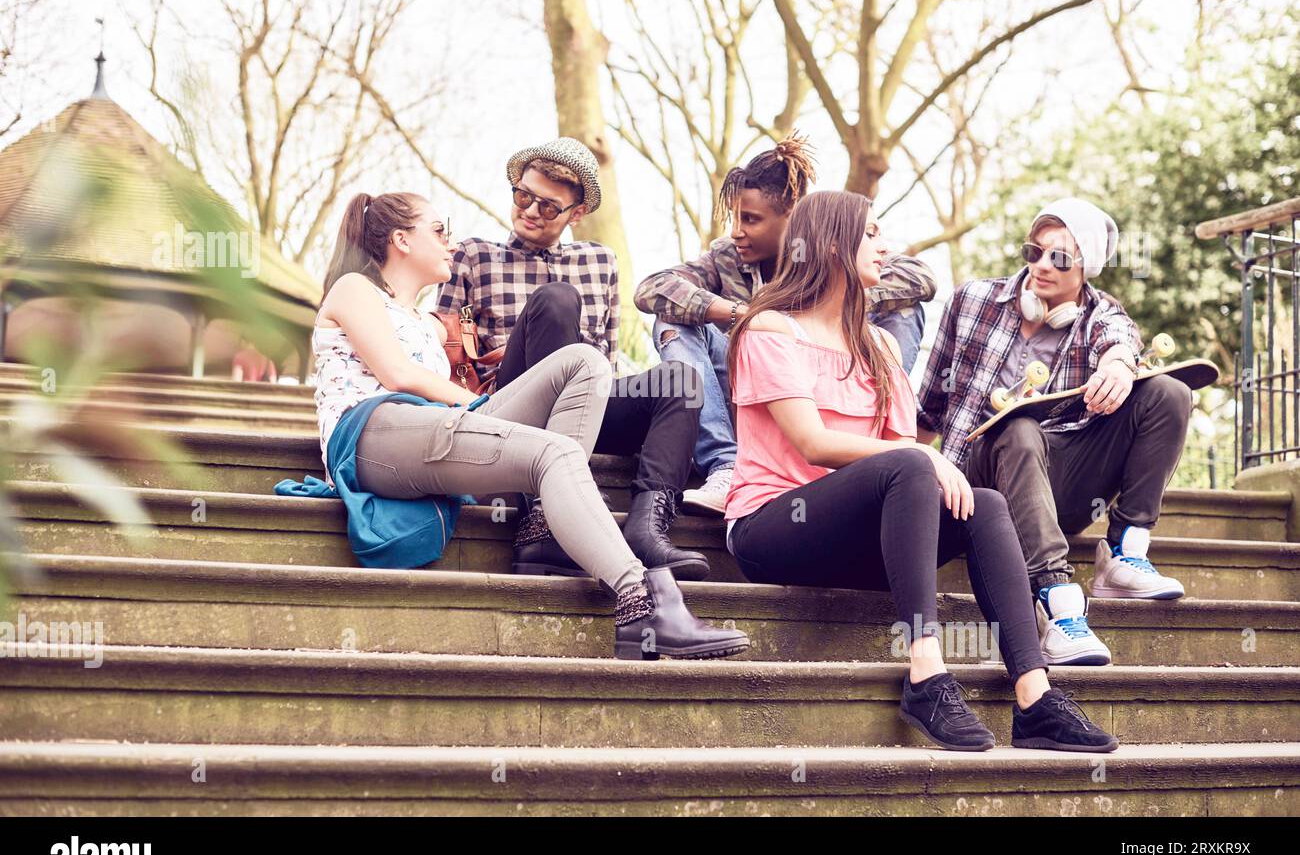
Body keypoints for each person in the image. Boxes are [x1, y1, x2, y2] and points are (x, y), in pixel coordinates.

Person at [724, 189, 1116, 752]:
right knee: (910, 460)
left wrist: (922, 458)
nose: (885, 247)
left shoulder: (880, 346)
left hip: (853, 544)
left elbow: (901, 461)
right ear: (833, 243)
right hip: (773, 528)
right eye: (873, 234)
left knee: (988, 504)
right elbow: (811, 443)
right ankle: (927, 673)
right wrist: (925, 455)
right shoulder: (770, 330)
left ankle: (1035, 697)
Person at [312, 189, 748, 661]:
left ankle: (546, 521)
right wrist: (478, 407)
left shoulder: (422, 320)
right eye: (439, 231)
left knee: (584, 362)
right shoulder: (354, 289)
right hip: (370, 431)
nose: (450, 243)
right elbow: (397, 375)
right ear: (400, 239)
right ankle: (641, 600)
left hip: (433, 432)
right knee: (555, 452)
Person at [916, 198, 1192, 668]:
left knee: (1170, 392)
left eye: (1060, 258)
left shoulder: (1101, 314)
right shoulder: (971, 300)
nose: (1041, 266)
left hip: (1054, 490)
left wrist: (1118, 364)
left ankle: (1125, 553)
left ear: (1088, 268)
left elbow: (1119, 338)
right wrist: (909, 492)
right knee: (1019, 426)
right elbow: (926, 412)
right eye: (1034, 251)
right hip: (975, 485)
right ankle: (1056, 602)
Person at [438, 138, 710, 580]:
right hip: (509, 411)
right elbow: (447, 356)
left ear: (576, 214)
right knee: (556, 301)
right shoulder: (473, 255)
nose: (528, 211)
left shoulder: (600, 261)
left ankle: (646, 528)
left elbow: (608, 355)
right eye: (523, 196)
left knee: (680, 379)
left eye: (547, 207)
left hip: (589, 403)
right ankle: (553, 509)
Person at [634, 133, 937, 515]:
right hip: (755, 404)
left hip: (835, 398)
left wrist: (830, 308)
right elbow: (652, 288)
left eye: (750, 219)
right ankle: (725, 465)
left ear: (793, 215)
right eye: (734, 218)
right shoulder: (727, 257)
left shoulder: (843, 243)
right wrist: (742, 315)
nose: (736, 231)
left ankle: (872, 438)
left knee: (906, 312)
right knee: (672, 317)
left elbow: (920, 278)